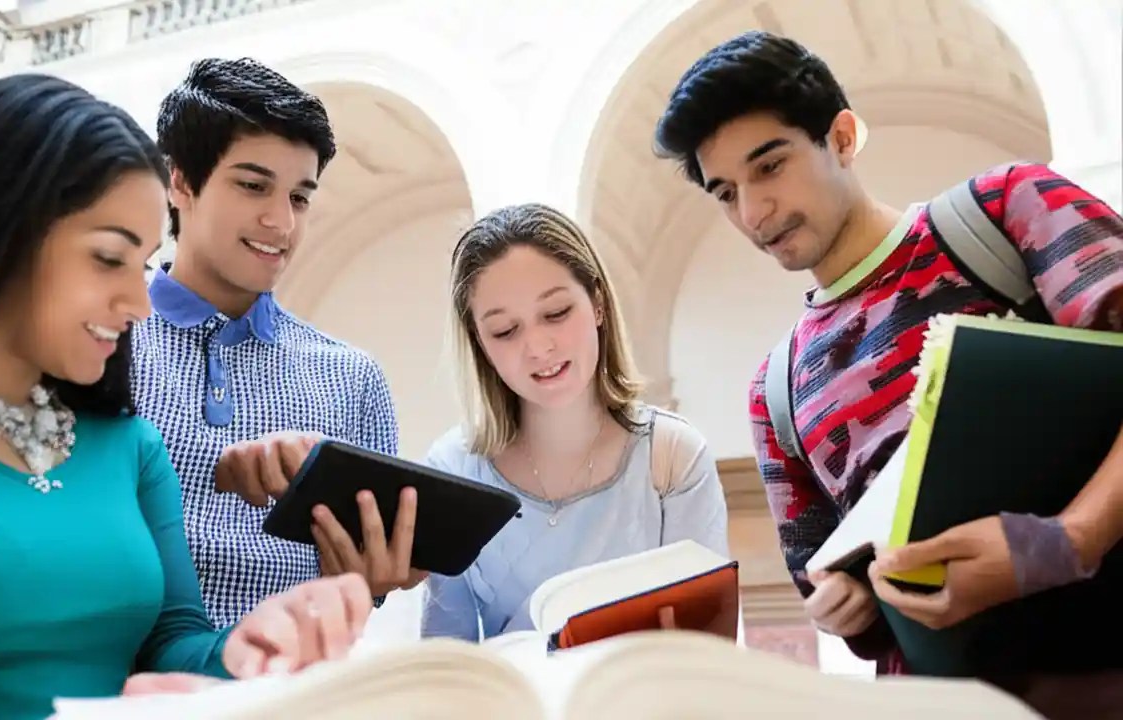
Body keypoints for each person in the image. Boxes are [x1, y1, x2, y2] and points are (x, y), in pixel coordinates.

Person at [0, 73, 372, 720]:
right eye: (108, 259)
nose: (140, 304)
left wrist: (251, 646)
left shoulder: (130, 448)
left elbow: (173, 647)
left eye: (142, 264)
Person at [653, 27, 1123, 707]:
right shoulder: (773, 393)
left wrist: (1069, 540)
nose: (754, 212)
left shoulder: (1008, 209)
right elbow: (829, 589)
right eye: (725, 193)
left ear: (842, 138)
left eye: (770, 165)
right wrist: (847, 606)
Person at [133, 57, 424, 629]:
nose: (283, 223)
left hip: (296, 676)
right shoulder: (102, 341)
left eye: (299, 197)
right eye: (253, 186)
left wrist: (370, 581)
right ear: (181, 181)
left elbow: (366, 590)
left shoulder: (352, 378)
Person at [419, 202, 730, 640]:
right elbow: (447, 656)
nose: (538, 347)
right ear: (480, 343)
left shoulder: (673, 456)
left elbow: (705, 646)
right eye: (505, 330)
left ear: (598, 304)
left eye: (556, 313)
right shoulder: (452, 471)